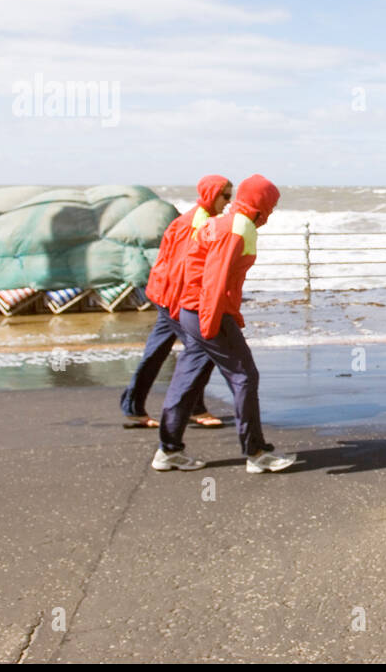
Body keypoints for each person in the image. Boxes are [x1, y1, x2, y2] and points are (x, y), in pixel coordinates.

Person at [152, 174, 294, 474]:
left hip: (190, 310)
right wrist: (212, 323)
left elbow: (198, 270)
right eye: (272, 204)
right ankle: (256, 453)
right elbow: (215, 280)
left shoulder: (220, 222)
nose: (272, 211)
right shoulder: (239, 226)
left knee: (187, 379)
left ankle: (168, 450)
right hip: (206, 313)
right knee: (245, 376)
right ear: (261, 202)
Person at [120, 175, 230, 429]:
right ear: (212, 195)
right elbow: (184, 268)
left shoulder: (191, 218)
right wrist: (187, 305)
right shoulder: (199, 224)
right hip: (175, 297)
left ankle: (133, 407)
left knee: (156, 350)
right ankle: (194, 407)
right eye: (225, 196)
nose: (228, 202)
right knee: (200, 349)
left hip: (163, 293)